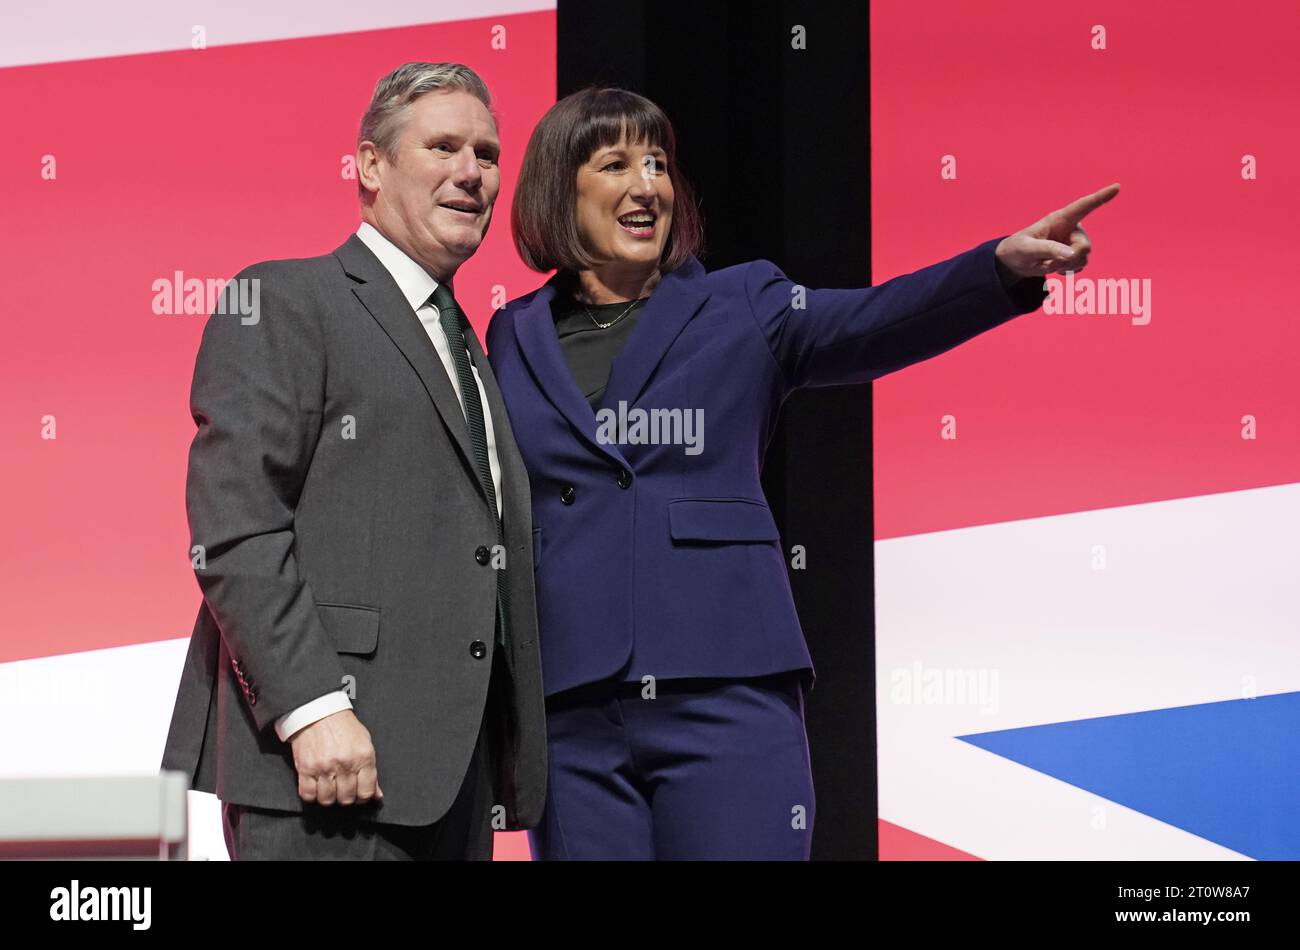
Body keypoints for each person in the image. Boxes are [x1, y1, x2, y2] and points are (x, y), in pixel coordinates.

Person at [486, 86, 1118, 860]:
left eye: (656, 163)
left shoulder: (743, 303)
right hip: (572, 707)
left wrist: (998, 271)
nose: (646, 184)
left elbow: (880, 319)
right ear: (561, 187)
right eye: (615, 163)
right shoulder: (512, 333)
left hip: (724, 688)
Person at [160, 62, 546, 860]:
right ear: (370, 165)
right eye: (443, 146)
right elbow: (237, 522)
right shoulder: (285, 299)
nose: (471, 173)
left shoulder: (469, 343)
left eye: (487, 153)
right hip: (327, 772)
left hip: (453, 783)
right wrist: (310, 706)